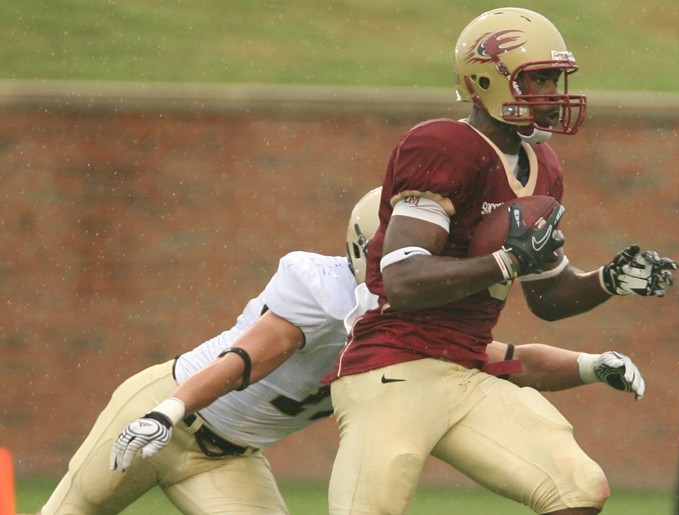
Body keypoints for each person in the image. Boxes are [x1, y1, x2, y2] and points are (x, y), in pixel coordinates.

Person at [41, 187, 647, 515]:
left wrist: (593, 365)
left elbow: (507, 360)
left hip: (229, 455)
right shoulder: (323, 289)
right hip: (163, 413)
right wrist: (167, 411)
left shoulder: (411, 329)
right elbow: (249, 359)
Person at [328, 8, 678, 515]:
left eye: (555, 78)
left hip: (467, 370)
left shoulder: (543, 168)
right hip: (393, 367)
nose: (554, 93)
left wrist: (608, 280)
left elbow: (548, 298)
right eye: (537, 78)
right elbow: (402, 279)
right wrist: (504, 261)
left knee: (577, 487)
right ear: (486, 80)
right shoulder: (444, 146)